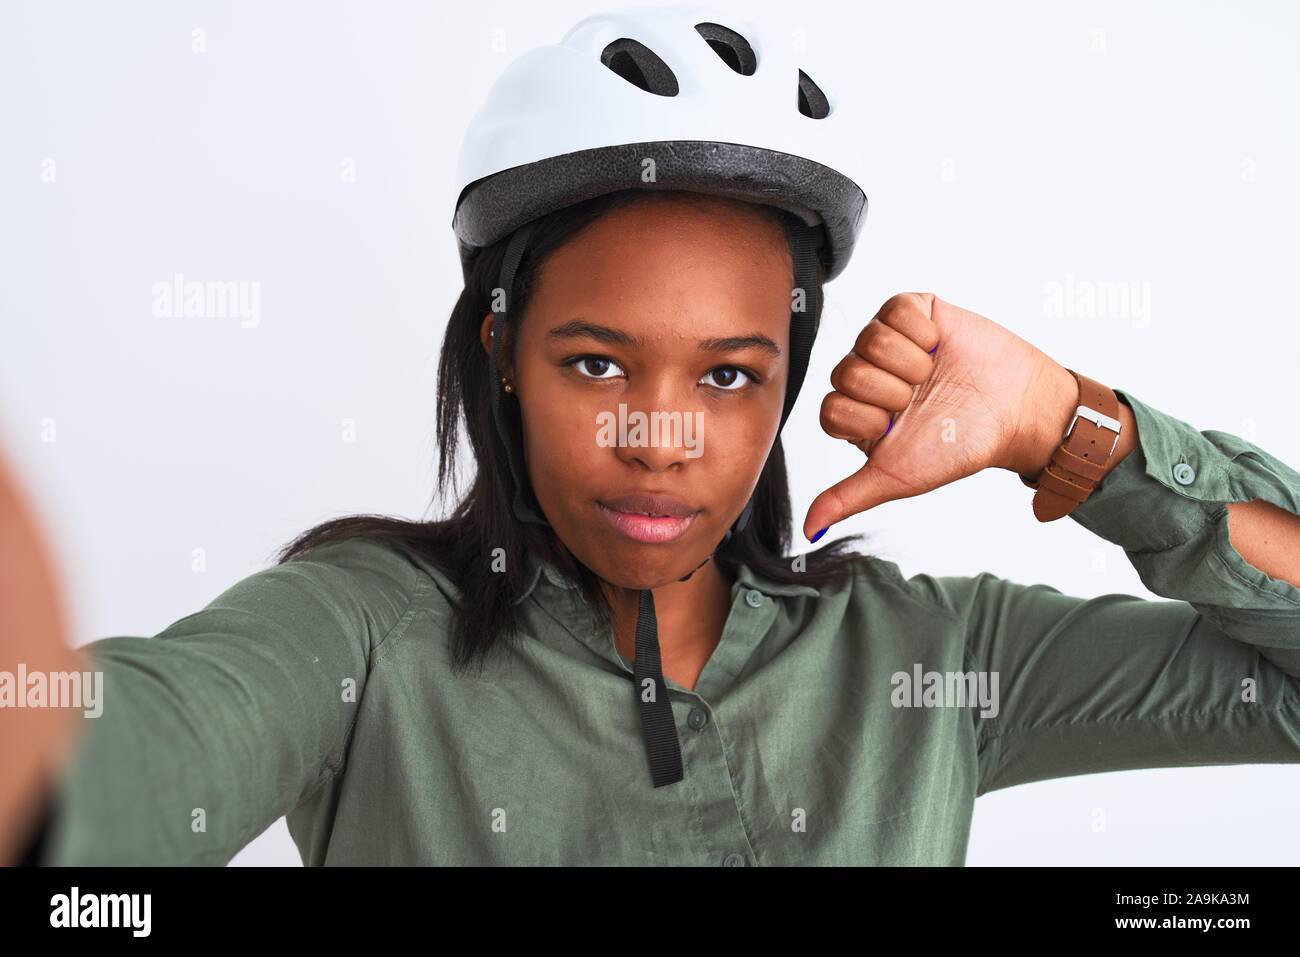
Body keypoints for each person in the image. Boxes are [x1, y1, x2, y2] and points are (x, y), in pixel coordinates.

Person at [5, 4, 1300, 866]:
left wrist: (1072, 434)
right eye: (597, 360)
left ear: (788, 379)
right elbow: (112, 756)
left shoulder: (934, 657)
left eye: (732, 373)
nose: (662, 435)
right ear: (501, 351)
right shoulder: (357, 635)